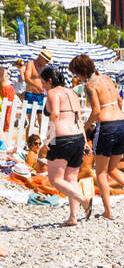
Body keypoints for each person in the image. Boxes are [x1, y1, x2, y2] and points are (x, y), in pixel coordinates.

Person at [69, 53, 124, 217]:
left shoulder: (90, 85)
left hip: (106, 126)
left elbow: (96, 111)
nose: (77, 77)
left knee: (101, 171)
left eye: (76, 74)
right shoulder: (108, 79)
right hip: (121, 124)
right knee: (113, 168)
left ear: (81, 71)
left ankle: (108, 211)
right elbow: (120, 102)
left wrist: (84, 127)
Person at [39, 66, 87, 227]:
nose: (42, 85)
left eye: (43, 82)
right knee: (71, 179)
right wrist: (86, 142)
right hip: (78, 137)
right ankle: (73, 217)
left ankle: (84, 200)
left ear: (50, 80)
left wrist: (50, 138)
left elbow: (55, 114)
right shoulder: (72, 92)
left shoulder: (53, 93)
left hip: (62, 138)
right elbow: (79, 118)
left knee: (55, 179)